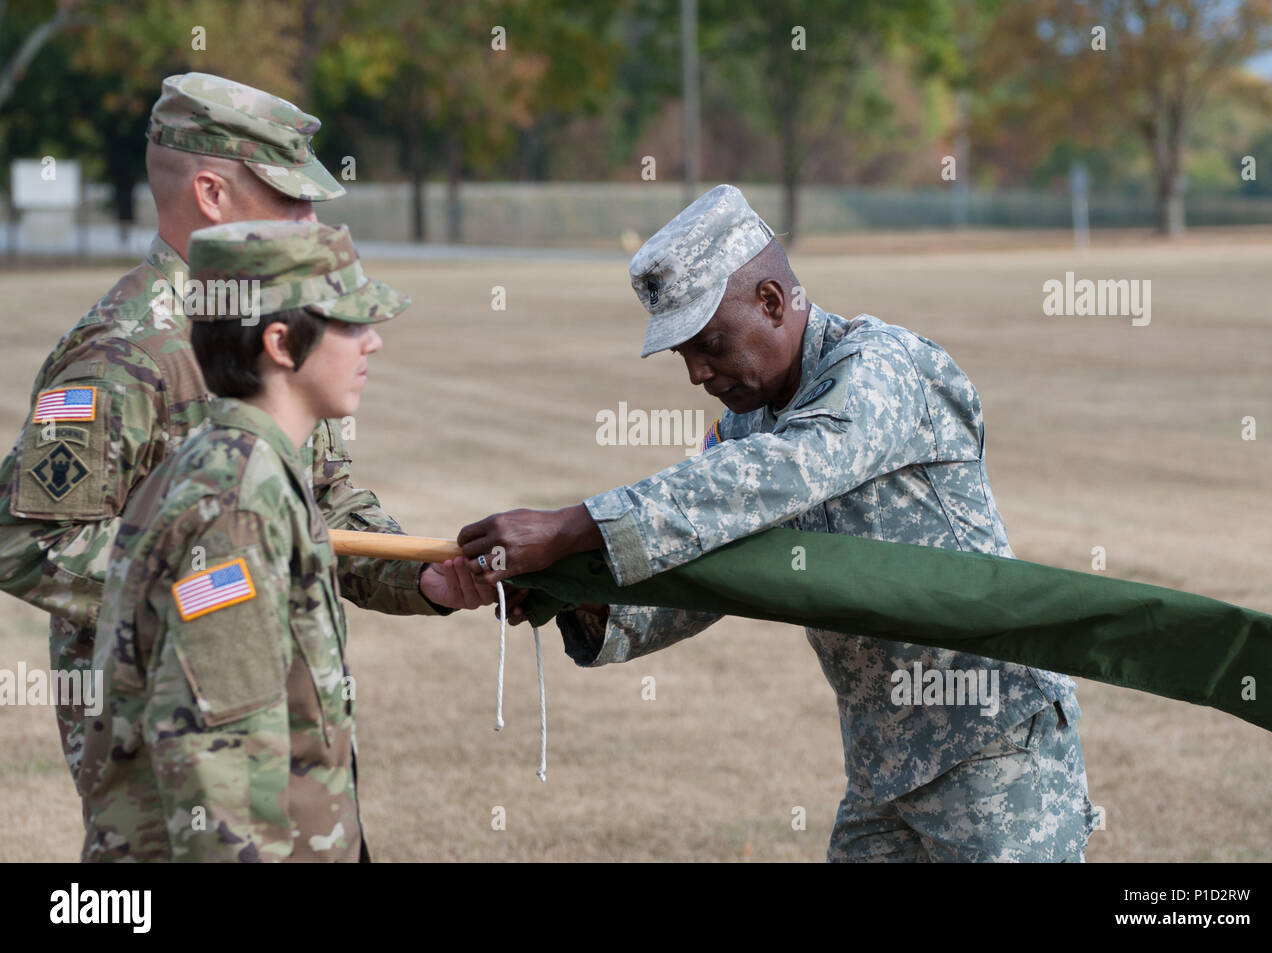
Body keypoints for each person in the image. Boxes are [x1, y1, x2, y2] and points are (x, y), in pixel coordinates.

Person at [459, 184, 1102, 862]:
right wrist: (581, 592)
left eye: (708, 342)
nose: (696, 372)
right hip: (884, 761)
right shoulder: (748, 423)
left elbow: (791, 469)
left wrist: (571, 526)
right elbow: (710, 568)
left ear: (771, 301)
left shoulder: (884, 367)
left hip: (992, 741)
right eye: (682, 354)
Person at [0, 72, 493, 789]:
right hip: (171, 752)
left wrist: (422, 576)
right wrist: (220, 590)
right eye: (290, 197)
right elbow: (26, 539)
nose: (310, 219)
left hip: (282, 713)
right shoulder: (123, 352)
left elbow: (323, 503)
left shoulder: (265, 326)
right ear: (211, 194)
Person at [80, 219, 402, 862]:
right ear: (281, 343)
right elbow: (215, 764)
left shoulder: (244, 467)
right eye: (351, 323)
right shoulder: (236, 503)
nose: (373, 343)